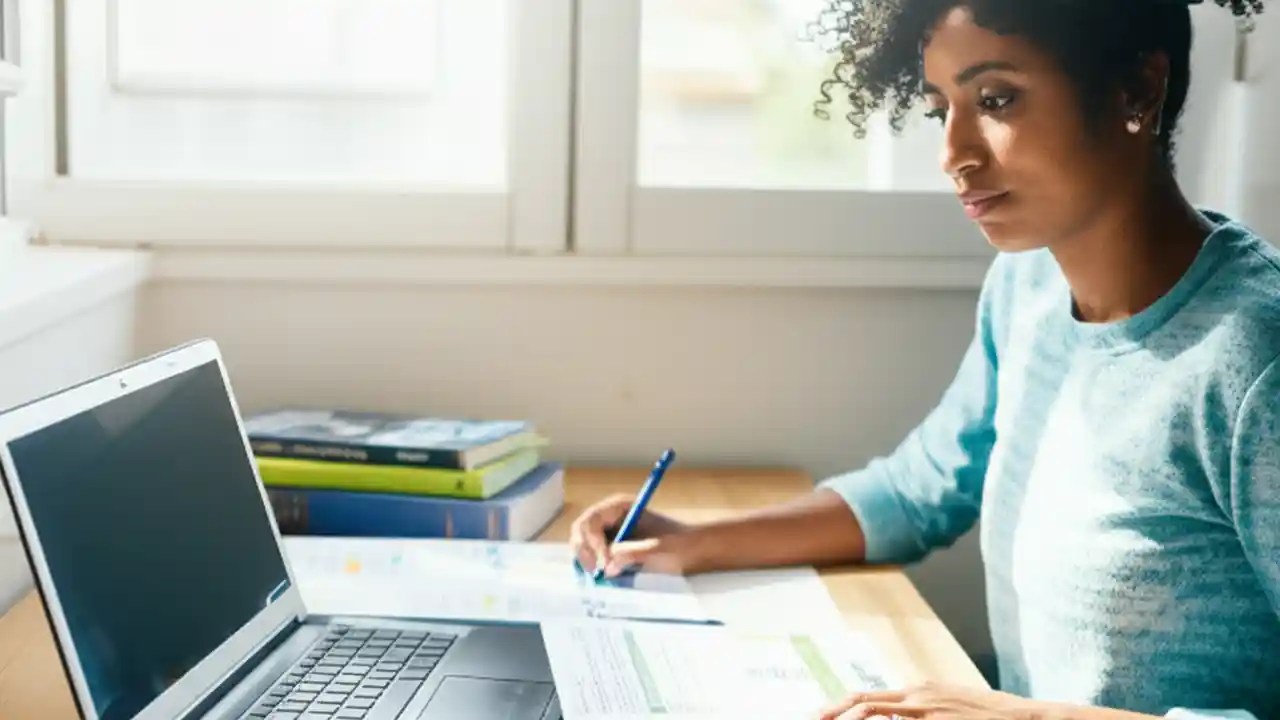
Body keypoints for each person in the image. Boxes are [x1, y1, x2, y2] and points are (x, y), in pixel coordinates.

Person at [570, 0, 1279, 718]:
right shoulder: (1028, 286)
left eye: (995, 99)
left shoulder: (1256, 357)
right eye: (940, 106)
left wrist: (1027, 717)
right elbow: (921, 489)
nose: (953, 155)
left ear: (1138, 91)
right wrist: (698, 543)